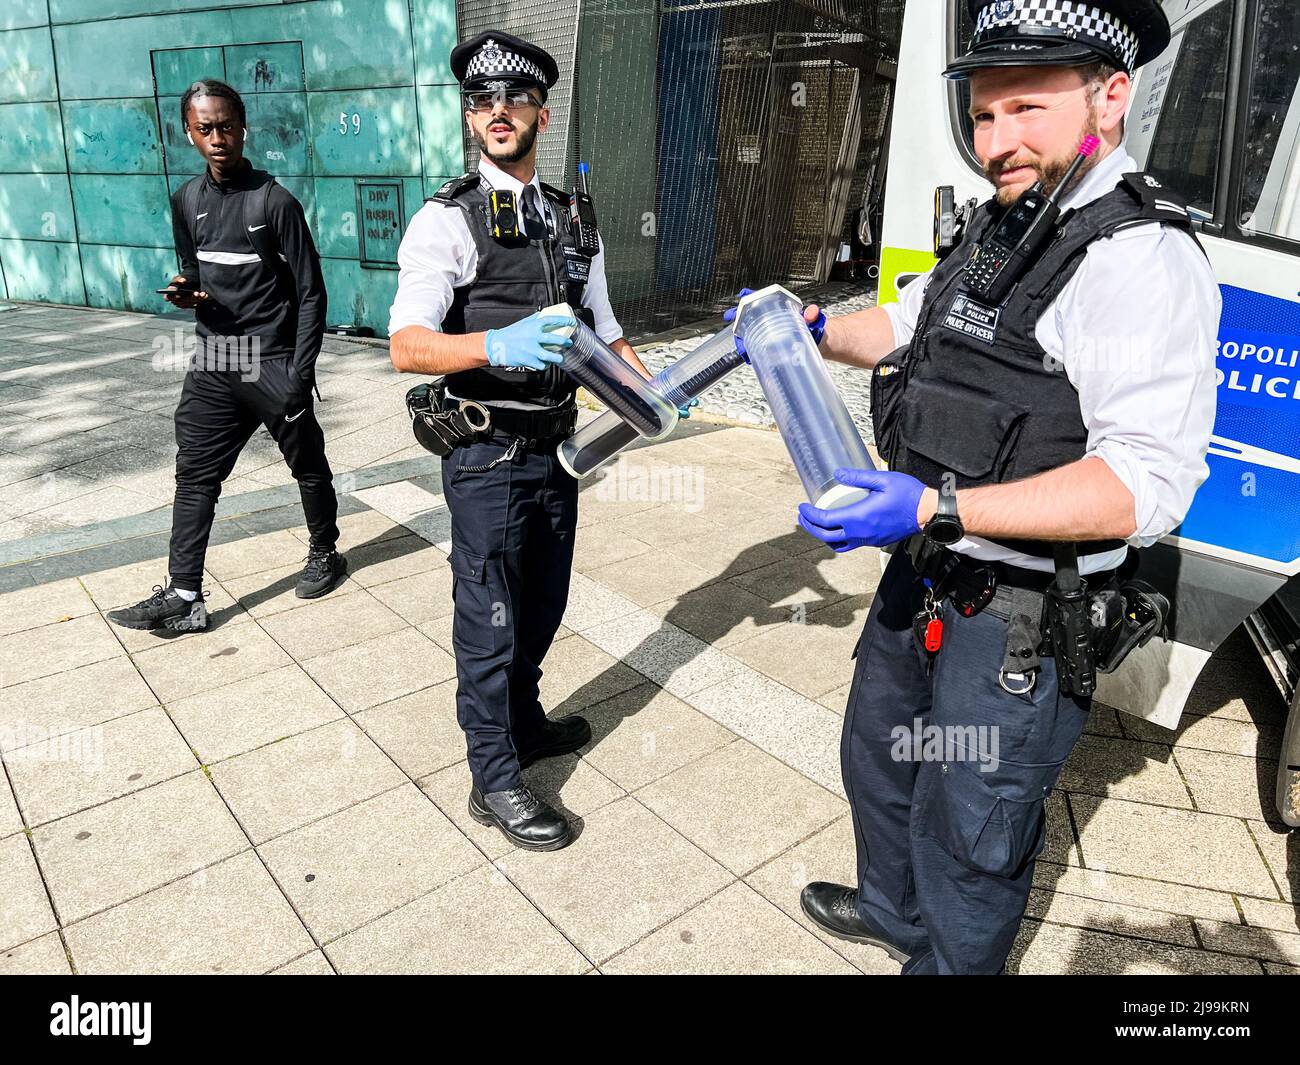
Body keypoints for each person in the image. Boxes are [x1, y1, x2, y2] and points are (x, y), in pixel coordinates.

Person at [785, 0, 1219, 973]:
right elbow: (906, 325)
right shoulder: (1000, 221)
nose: (996, 141)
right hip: (927, 568)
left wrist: (940, 507)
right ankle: (895, 919)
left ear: (1110, 97)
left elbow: (1141, 487)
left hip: (1017, 612)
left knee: (970, 832)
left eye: (1025, 109)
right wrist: (807, 330)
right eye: (983, 115)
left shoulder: (1138, 260)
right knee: (883, 760)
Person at [388, 32, 663, 851]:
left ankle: (524, 719)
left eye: (512, 98)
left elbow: (606, 332)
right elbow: (407, 343)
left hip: (557, 450)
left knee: (544, 603)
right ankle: (494, 776)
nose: (497, 112)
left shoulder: (574, 219)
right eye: (481, 101)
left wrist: (655, 392)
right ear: (470, 118)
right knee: (490, 618)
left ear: (542, 110)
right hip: (484, 453)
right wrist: (493, 346)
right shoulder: (448, 219)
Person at [109, 79, 345, 632]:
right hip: (216, 360)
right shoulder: (187, 200)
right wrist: (187, 290)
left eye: (226, 126)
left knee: (307, 465)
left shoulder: (273, 201)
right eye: (205, 128)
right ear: (189, 134)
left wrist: (299, 373)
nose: (218, 137)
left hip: (271, 359)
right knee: (194, 474)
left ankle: (325, 550)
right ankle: (185, 595)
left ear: (243, 128)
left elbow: (312, 291)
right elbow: (195, 268)